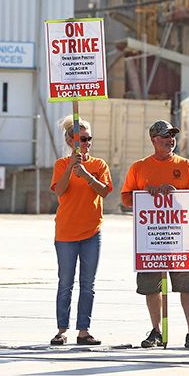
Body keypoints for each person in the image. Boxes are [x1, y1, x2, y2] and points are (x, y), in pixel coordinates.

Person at [121, 120, 189, 349]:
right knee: (152, 286)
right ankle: (156, 331)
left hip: (179, 239)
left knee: (187, 286)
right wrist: (144, 194)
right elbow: (126, 199)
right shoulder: (139, 167)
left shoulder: (187, 166)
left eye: (172, 135)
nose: (170, 140)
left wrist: (179, 192)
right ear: (153, 140)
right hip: (151, 238)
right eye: (164, 136)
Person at [49, 116, 113, 346]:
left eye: (88, 139)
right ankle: (61, 329)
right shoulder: (60, 164)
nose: (86, 143)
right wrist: (70, 168)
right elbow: (60, 190)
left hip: (92, 232)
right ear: (69, 141)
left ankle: (84, 330)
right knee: (65, 282)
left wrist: (85, 174)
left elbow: (104, 192)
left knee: (88, 284)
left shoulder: (98, 166)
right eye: (81, 139)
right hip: (66, 233)